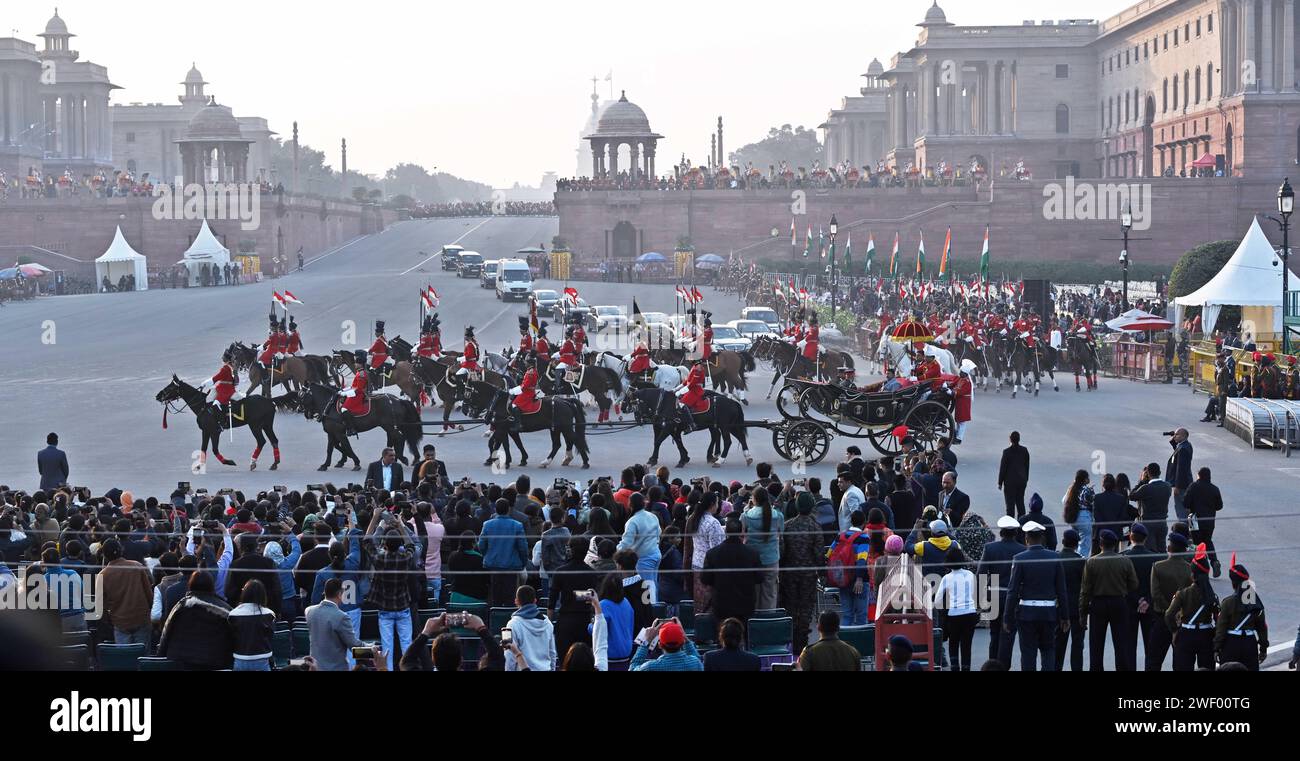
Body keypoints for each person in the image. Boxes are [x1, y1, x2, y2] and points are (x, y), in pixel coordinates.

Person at [1004, 521, 1068, 671]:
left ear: (1026, 538)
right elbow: (1061, 590)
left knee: (1028, 653)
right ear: (1043, 537)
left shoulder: (1019, 558)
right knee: (1048, 651)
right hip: (1049, 613)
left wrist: (1007, 617)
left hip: (1026, 613)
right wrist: (1065, 616)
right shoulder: (1055, 557)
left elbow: (1012, 591)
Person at [1080, 529, 1139, 671]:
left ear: (1100, 544)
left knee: (1096, 645)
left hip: (1098, 604)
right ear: (1115, 544)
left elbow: (1085, 591)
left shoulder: (1092, 562)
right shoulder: (1125, 560)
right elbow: (1134, 584)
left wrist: (1082, 614)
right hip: (1119, 603)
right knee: (1121, 644)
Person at [365, 512, 417, 670]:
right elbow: (411, 545)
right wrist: (400, 524)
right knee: (407, 644)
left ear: (385, 544)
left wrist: (374, 518)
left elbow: (367, 541)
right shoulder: (405, 558)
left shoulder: (380, 559)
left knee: (387, 647)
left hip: (385, 608)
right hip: (403, 606)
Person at [156, 571, 234, 670]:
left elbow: (167, 631)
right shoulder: (224, 609)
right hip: (214, 661)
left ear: (191, 584)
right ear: (211, 585)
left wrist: (160, 655)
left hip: (182, 660)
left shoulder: (182, 605)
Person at [700, 516, 761, 640]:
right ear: (741, 532)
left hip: (721, 605)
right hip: (745, 605)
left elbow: (705, 578)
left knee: (722, 638)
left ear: (725, 532)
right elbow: (760, 578)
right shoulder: (752, 554)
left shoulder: (713, 554)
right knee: (745, 638)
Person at [978, 515, 1026, 666]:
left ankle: (992, 665)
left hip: (993, 595)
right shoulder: (1022, 550)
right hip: (1013, 597)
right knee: (1008, 635)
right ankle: (1004, 666)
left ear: (1001, 532)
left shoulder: (990, 548)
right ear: (1015, 532)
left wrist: (980, 600)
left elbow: (981, 574)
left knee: (994, 633)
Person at [780, 492, 822, 655]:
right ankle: (802, 644)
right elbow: (819, 554)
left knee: (790, 606)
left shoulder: (788, 525)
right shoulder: (815, 527)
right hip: (808, 575)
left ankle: (791, 639)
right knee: (805, 608)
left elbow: (782, 552)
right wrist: (822, 571)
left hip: (789, 574)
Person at [1165, 543, 1218, 671]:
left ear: (1193, 575)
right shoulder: (1212, 596)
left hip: (1186, 634)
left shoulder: (1183, 593)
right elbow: (1219, 619)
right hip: (1206, 635)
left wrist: (1175, 631)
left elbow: (1169, 615)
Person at [1147, 532, 1193, 671]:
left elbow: (1155, 594)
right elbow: (1191, 594)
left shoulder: (1157, 566)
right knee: (1180, 662)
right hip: (1182, 621)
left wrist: (1168, 610)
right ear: (1184, 551)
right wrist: (1176, 611)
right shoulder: (1189, 569)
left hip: (1161, 618)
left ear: (1169, 548)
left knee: (1154, 660)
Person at [1215, 554, 1268, 670]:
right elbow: (1262, 627)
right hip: (1249, 644)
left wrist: (1216, 648)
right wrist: (1263, 648)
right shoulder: (1256, 602)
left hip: (1231, 644)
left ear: (1233, 583)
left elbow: (1221, 628)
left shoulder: (1228, 603)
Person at [98, 539, 154, 647]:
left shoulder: (102, 575)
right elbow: (149, 594)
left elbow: (101, 607)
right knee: (142, 657)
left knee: (124, 658)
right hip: (141, 619)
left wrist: (109, 620)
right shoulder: (137, 566)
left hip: (120, 622)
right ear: (121, 550)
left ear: (104, 555)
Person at [1120, 522, 1161, 669]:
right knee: (1150, 646)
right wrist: (1146, 601)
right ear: (1145, 538)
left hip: (1129, 606)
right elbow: (1157, 586)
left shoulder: (1124, 557)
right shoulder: (1155, 558)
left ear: (1131, 537)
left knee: (1129, 646)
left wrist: (1137, 600)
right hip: (1149, 607)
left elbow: (1123, 585)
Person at [306, 577, 364, 671]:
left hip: (315, 668)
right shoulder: (342, 617)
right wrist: (373, 649)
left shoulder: (309, 611)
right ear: (339, 594)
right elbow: (354, 647)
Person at [478, 499, 528, 607]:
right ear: (508, 509)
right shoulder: (517, 525)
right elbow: (523, 548)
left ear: (495, 510)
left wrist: (488, 556)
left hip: (493, 566)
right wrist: (523, 562)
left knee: (495, 598)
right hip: (511, 566)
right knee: (511, 598)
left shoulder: (487, 525)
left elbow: (481, 545)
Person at [935, 546, 978, 671]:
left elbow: (938, 601)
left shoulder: (947, 578)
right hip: (970, 613)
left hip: (954, 615)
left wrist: (943, 612)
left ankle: (954, 667)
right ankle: (966, 668)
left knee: (953, 643)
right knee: (966, 644)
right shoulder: (970, 575)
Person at [741, 487, 783, 610]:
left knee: (754, 593)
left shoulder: (746, 515)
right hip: (771, 559)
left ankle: (753, 622)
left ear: (754, 500)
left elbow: (742, 535)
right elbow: (780, 535)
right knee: (769, 593)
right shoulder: (777, 515)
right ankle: (767, 621)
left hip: (752, 560)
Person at [1053, 529, 1087, 671]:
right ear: (1076, 544)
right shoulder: (1080, 561)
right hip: (1077, 608)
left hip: (1059, 607)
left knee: (1058, 644)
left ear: (1063, 542)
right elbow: (1085, 587)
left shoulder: (1055, 558)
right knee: (1077, 645)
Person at [505, 585, 557, 671]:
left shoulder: (512, 624)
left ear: (516, 601)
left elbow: (509, 655)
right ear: (535, 601)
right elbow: (552, 653)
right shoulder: (548, 623)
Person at [229, 579, 276, 671]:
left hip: (240, 658)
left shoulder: (233, 614)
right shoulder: (269, 614)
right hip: (262, 659)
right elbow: (270, 637)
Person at [1183, 467, 1222, 577]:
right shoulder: (1214, 489)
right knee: (1207, 541)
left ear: (1198, 475)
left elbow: (1185, 503)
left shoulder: (1193, 486)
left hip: (1195, 520)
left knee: (1197, 544)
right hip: (1209, 521)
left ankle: (1200, 567)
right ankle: (1214, 561)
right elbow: (1219, 506)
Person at [1128, 462, 1172, 553]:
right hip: (1162, 523)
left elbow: (1131, 496)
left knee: (1150, 551)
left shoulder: (1146, 488)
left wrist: (1141, 481)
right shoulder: (1167, 486)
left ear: (1148, 474)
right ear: (1160, 472)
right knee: (1162, 550)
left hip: (1148, 524)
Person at [797, 611, 861, 671]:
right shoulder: (853, 652)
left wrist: (798, 668)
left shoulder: (809, 652)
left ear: (818, 627)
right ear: (838, 628)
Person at [630, 619, 702, 671]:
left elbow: (632, 668)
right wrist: (684, 636)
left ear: (659, 645)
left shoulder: (649, 667)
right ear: (682, 642)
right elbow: (698, 660)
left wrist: (646, 641)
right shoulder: (695, 663)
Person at [1062, 469, 1095, 558]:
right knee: (1085, 543)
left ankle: (1073, 558)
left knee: (1074, 541)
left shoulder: (1071, 488)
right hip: (1084, 517)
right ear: (1085, 479)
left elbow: (1064, 501)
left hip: (1073, 516)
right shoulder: (1087, 490)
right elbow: (1092, 504)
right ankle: (1081, 563)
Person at [998, 431, 1030, 517]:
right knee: (1020, 504)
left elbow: (1003, 468)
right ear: (1019, 439)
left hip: (1010, 482)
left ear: (1010, 440)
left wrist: (1000, 482)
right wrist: (1026, 478)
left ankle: (1011, 528)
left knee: (1010, 506)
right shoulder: (1024, 450)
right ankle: (1021, 526)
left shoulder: (1007, 452)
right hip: (1021, 481)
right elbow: (1027, 466)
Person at [1166, 428, 1193, 522]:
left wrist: (1177, 486)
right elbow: (1176, 453)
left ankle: (1183, 528)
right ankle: (1189, 529)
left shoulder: (1183, 449)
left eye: (1177, 434)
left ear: (1184, 436)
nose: (1175, 436)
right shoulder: (1184, 446)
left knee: (1181, 507)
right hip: (1183, 482)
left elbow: (1180, 469)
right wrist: (1173, 442)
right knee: (1186, 508)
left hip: (1182, 484)